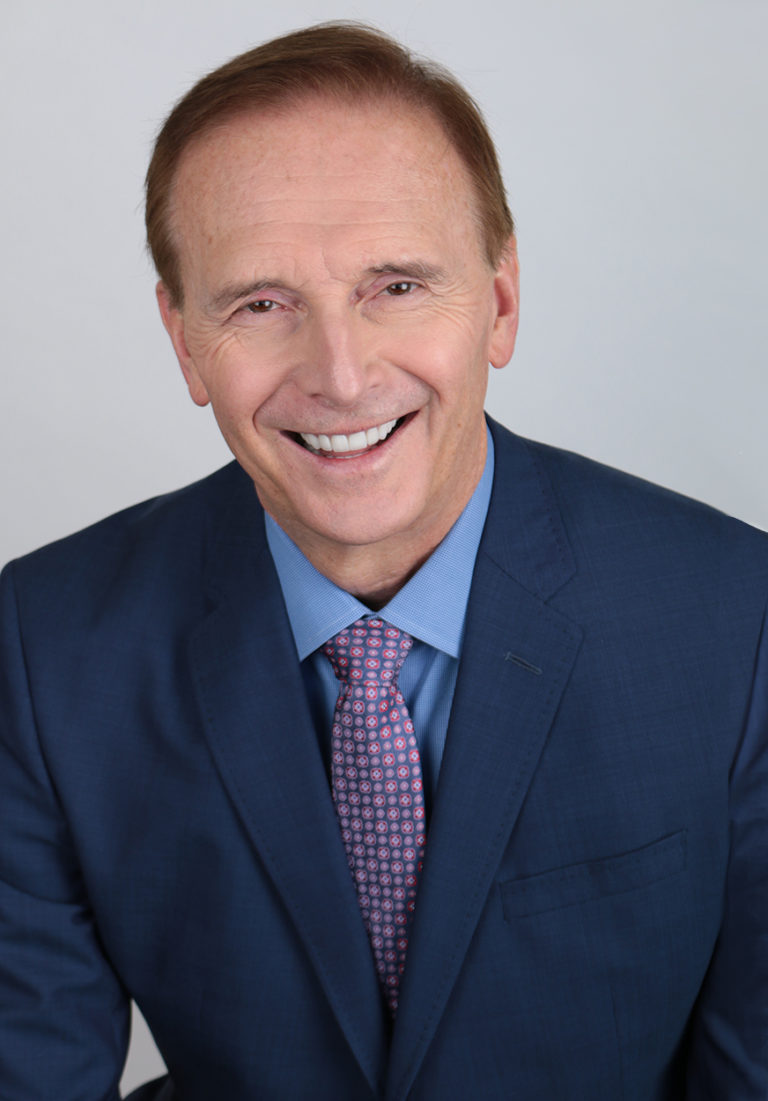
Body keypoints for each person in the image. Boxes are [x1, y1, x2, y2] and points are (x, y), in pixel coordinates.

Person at [1, 21, 766, 1100]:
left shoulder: (736, 622)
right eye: (262, 304)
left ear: (499, 302)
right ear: (183, 342)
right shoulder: (44, 647)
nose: (342, 375)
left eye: (396, 286)